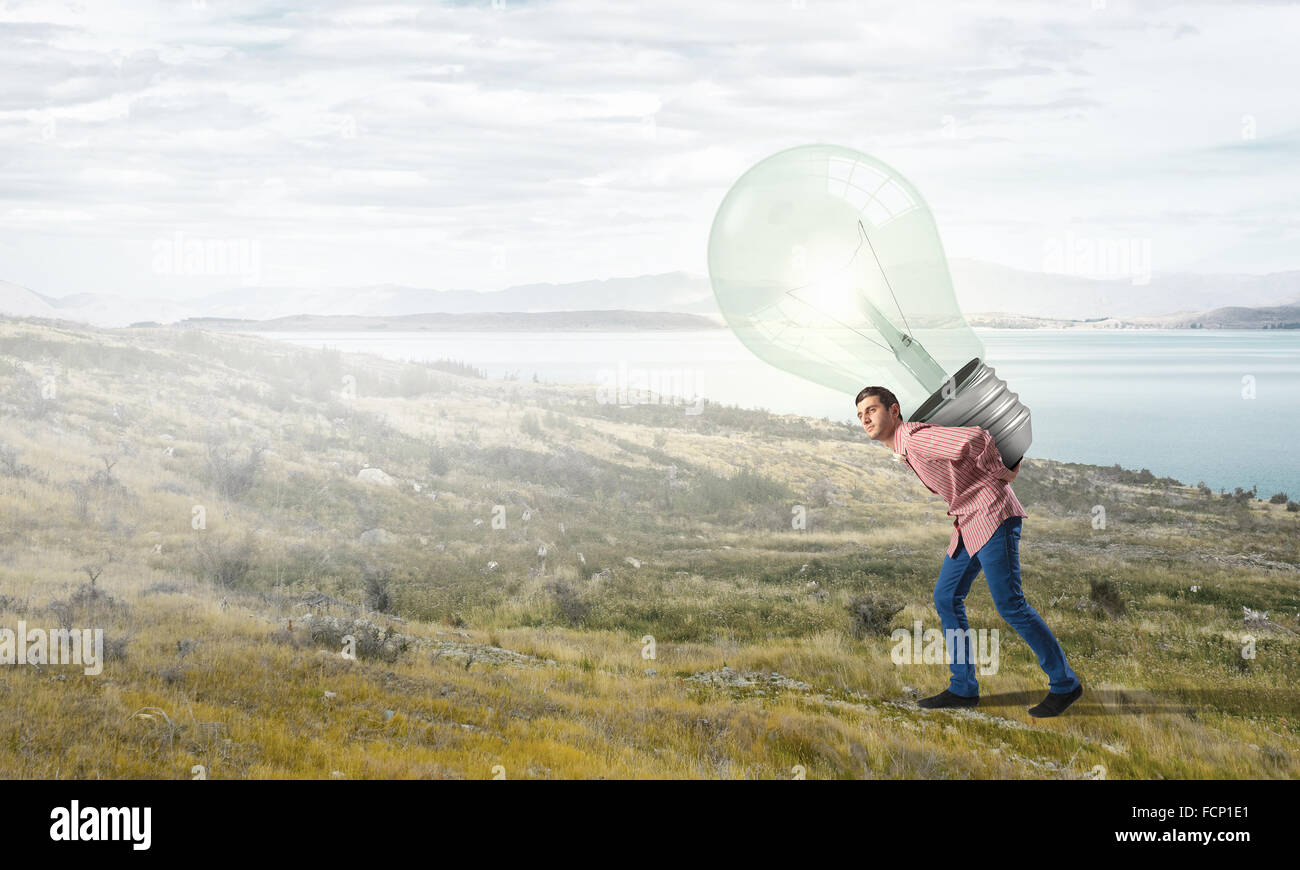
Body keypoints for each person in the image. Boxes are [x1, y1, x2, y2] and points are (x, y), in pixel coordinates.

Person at [856, 385, 1083, 718]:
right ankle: (963, 689)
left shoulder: (914, 438)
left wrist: (1001, 474)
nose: (865, 419)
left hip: (992, 515)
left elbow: (975, 438)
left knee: (1011, 606)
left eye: (871, 410)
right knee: (946, 598)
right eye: (860, 415)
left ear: (893, 410)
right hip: (969, 522)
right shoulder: (904, 448)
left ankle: (1065, 685)